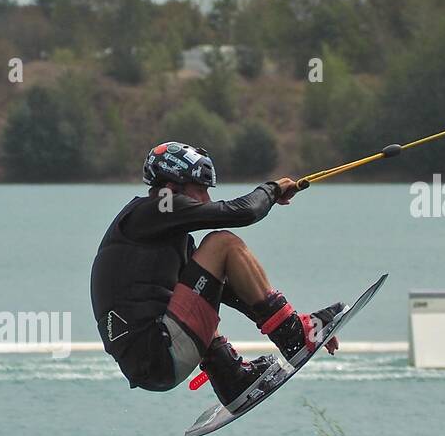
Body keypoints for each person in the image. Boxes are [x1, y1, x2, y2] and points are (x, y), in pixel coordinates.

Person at [90, 140, 343, 406]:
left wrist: (292, 325)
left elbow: (220, 290)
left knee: (197, 281)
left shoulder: (153, 229)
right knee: (223, 243)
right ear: (169, 187)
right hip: (159, 353)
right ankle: (292, 334)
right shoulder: (158, 208)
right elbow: (244, 212)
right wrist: (272, 190)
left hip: (151, 362)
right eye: (200, 189)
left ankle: (232, 377)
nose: (206, 200)